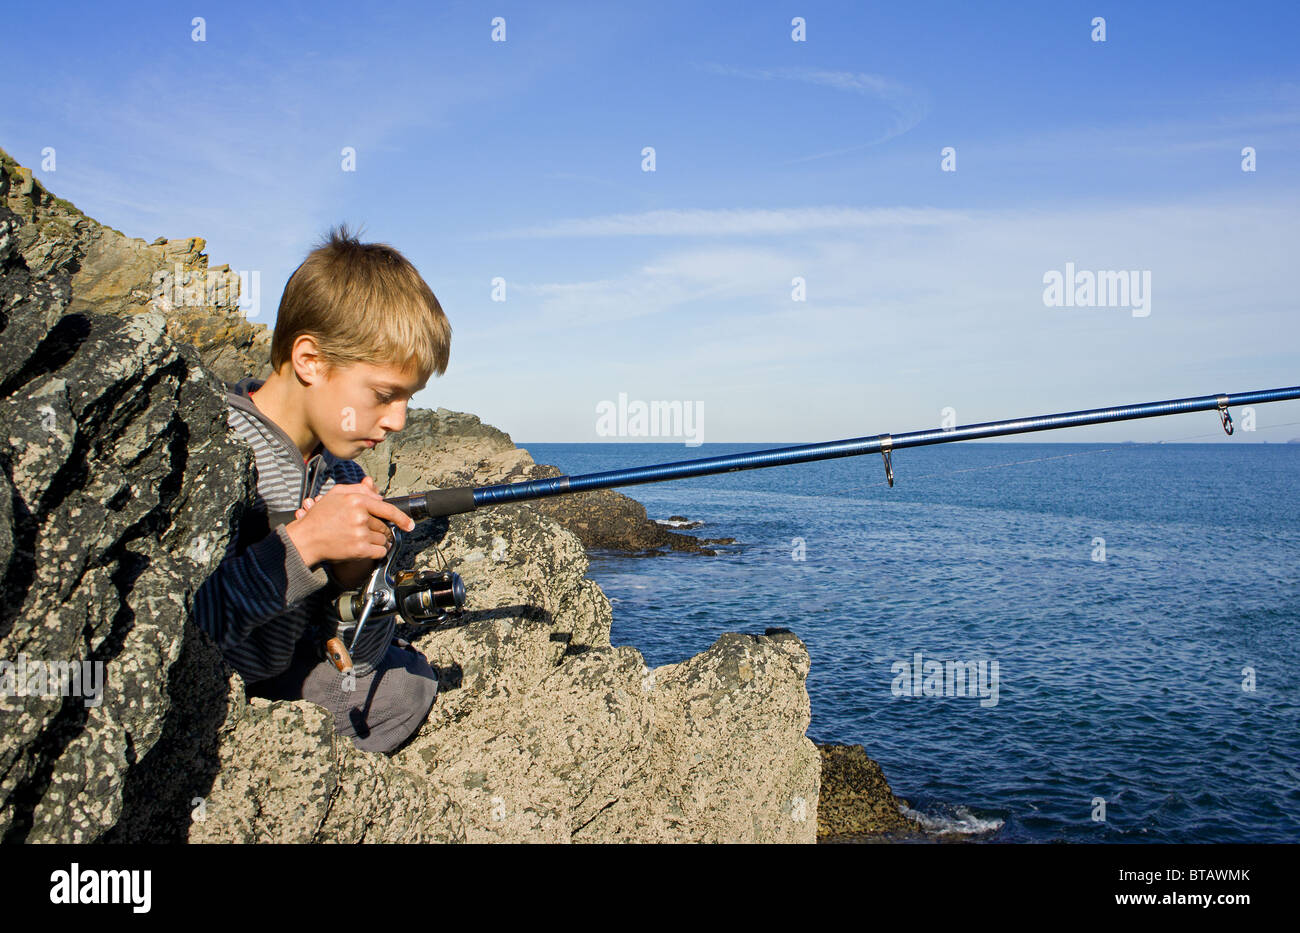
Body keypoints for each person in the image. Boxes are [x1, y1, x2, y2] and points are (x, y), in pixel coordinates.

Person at [194, 223, 452, 754]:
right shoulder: (209, 447)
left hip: (287, 673)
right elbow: (181, 631)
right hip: (207, 692)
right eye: (384, 394)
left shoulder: (347, 475)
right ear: (310, 360)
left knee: (406, 683)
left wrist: (353, 578)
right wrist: (304, 545)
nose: (398, 421)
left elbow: (357, 656)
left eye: (408, 399)